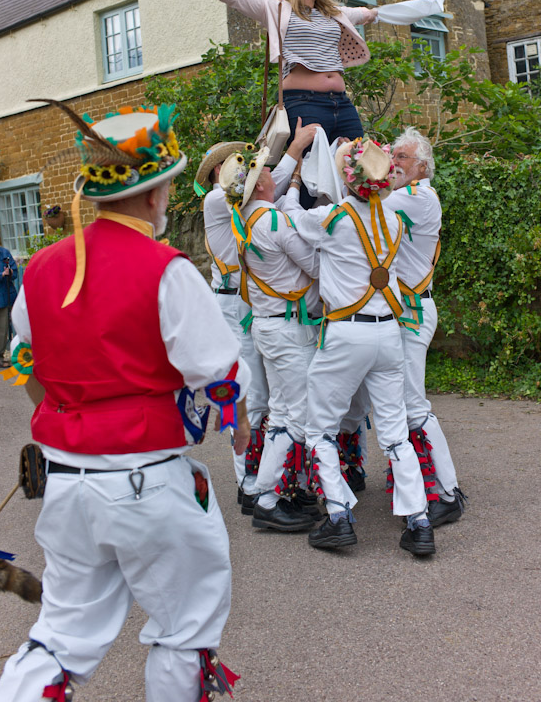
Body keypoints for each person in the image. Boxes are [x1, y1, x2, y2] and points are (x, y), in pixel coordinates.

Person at [0, 103, 250, 702]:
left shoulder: (43, 267)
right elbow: (218, 374)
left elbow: (25, 360)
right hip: (148, 481)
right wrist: (237, 430)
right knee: (184, 630)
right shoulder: (167, 270)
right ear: (156, 194)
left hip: (67, 484)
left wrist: (64, 413)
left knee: (60, 635)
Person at [282, 138, 436, 557]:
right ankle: (419, 521)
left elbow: (292, 219)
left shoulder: (334, 218)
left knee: (320, 428)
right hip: (389, 334)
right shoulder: (395, 221)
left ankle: (338, 516)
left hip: (347, 335)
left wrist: (294, 184)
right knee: (395, 432)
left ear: (347, 180)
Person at [197, 119, 318, 512]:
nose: (251, 169)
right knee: (249, 395)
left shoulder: (240, 201)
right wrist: (294, 150)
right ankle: (249, 484)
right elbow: (269, 185)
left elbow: (268, 186)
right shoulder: (217, 200)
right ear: (222, 171)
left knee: (269, 395)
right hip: (233, 306)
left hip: (250, 303)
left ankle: (269, 478)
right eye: (243, 163)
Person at [163, 0, 377, 151]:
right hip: (305, 104)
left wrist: (377, 13)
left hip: (342, 104)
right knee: (310, 169)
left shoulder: (335, 14)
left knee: (358, 165)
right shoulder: (276, 10)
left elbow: (366, 14)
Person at [385, 127, 466, 526]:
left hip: (413, 312)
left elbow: (361, 204)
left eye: (401, 157)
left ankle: (446, 493)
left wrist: (352, 162)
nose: (393, 162)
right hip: (407, 310)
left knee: (413, 403)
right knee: (401, 403)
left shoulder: (416, 197)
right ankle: (422, 484)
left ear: (422, 166)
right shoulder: (408, 196)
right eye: (392, 155)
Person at [0, 224, 17, 369]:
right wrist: (0, 275)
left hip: (4, 295)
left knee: (2, 329)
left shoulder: (4, 253)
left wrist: (10, 272)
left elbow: (14, 271)